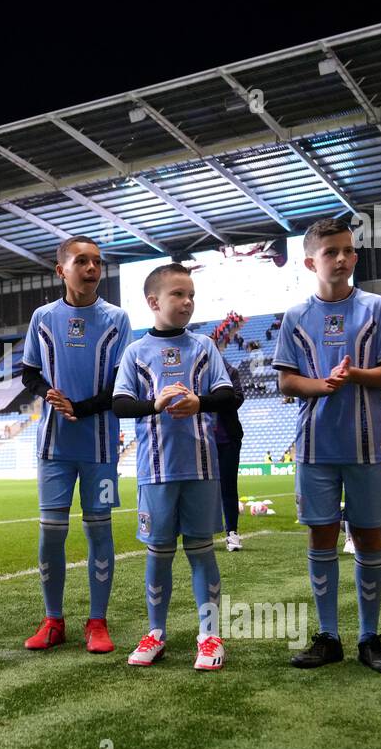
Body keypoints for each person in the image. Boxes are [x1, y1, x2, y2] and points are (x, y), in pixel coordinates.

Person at [273, 219, 381, 676]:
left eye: (349, 251)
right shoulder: (295, 316)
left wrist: (355, 376)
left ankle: (370, 638)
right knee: (321, 537)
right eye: (332, 252)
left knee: (369, 538)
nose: (343, 259)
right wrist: (321, 385)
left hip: (368, 446)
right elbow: (286, 380)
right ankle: (328, 636)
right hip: (313, 446)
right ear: (311, 261)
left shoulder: (376, 307)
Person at [113, 263, 235, 670]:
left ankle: (210, 635)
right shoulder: (135, 351)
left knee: (202, 552)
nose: (187, 302)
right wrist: (155, 405)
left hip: (201, 468)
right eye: (178, 295)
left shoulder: (204, 346)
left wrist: (200, 402)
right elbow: (119, 404)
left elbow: (228, 396)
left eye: (191, 295)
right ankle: (156, 633)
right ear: (154, 302)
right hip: (155, 470)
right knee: (158, 554)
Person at [19, 235, 131, 653]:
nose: (91, 269)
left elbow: (123, 383)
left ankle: (97, 623)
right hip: (54, 446)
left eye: (97, 262)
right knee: (51, 534)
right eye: (81, 261)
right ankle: (53, 621)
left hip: (101, 445)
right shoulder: (42, 318)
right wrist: (49, 393)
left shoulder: (118, 318)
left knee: (99, 531)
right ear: (61, 269)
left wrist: (79, 408)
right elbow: (29, 372)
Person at [213, 363, 246, 551]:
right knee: (200, 489)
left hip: (227, 439)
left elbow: (238, 398)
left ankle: (232, 532)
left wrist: (211, 400)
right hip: (200, 439)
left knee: (228, 487)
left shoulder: (230, 371)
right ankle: (202, 532)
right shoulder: (192, 370)